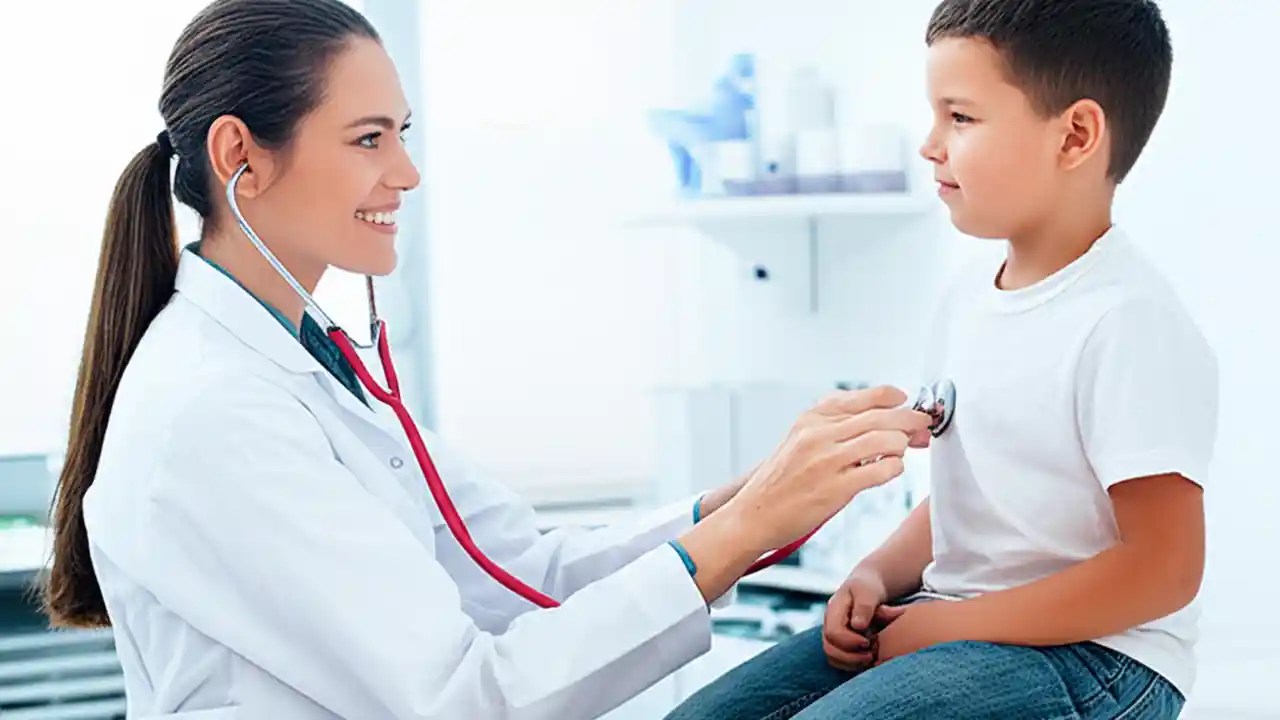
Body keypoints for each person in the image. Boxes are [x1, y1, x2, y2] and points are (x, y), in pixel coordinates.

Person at [40, 1, 933, 718]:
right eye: (368, 138)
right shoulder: (215, 411)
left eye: (403, 132)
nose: (407, 173)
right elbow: (464, 696)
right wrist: (738, 534)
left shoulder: (306, 365)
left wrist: (756, 500)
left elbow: (523, 574)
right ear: (241, 155)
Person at [668, 0, 1219, 718]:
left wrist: (951, 625)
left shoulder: (1127, 322)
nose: (929, 145)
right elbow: (978, 494)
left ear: (1076, 135)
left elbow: (1164, 572)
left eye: (960, 118)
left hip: (1102, 659)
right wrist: (876, 575)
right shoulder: (968, 301)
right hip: (961, 616)